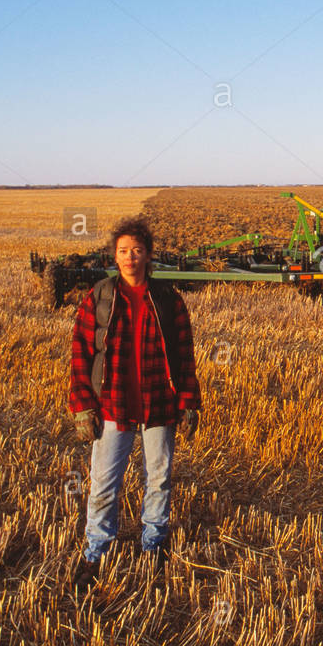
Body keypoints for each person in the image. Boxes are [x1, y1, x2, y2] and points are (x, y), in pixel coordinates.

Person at [67, 217, 200, 589]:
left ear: (148, 256)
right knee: (104, 484)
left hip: (159, 403)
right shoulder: (100, 297)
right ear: (115, 255)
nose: (130, 258)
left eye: (137, 251)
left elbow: (185, 355)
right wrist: (82, 404)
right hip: (113, 404)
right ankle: (97, 551)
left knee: (158, 479)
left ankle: (154, 545)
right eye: (123, 251)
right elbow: (80, 352)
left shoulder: (168, 300)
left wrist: (189, 401)